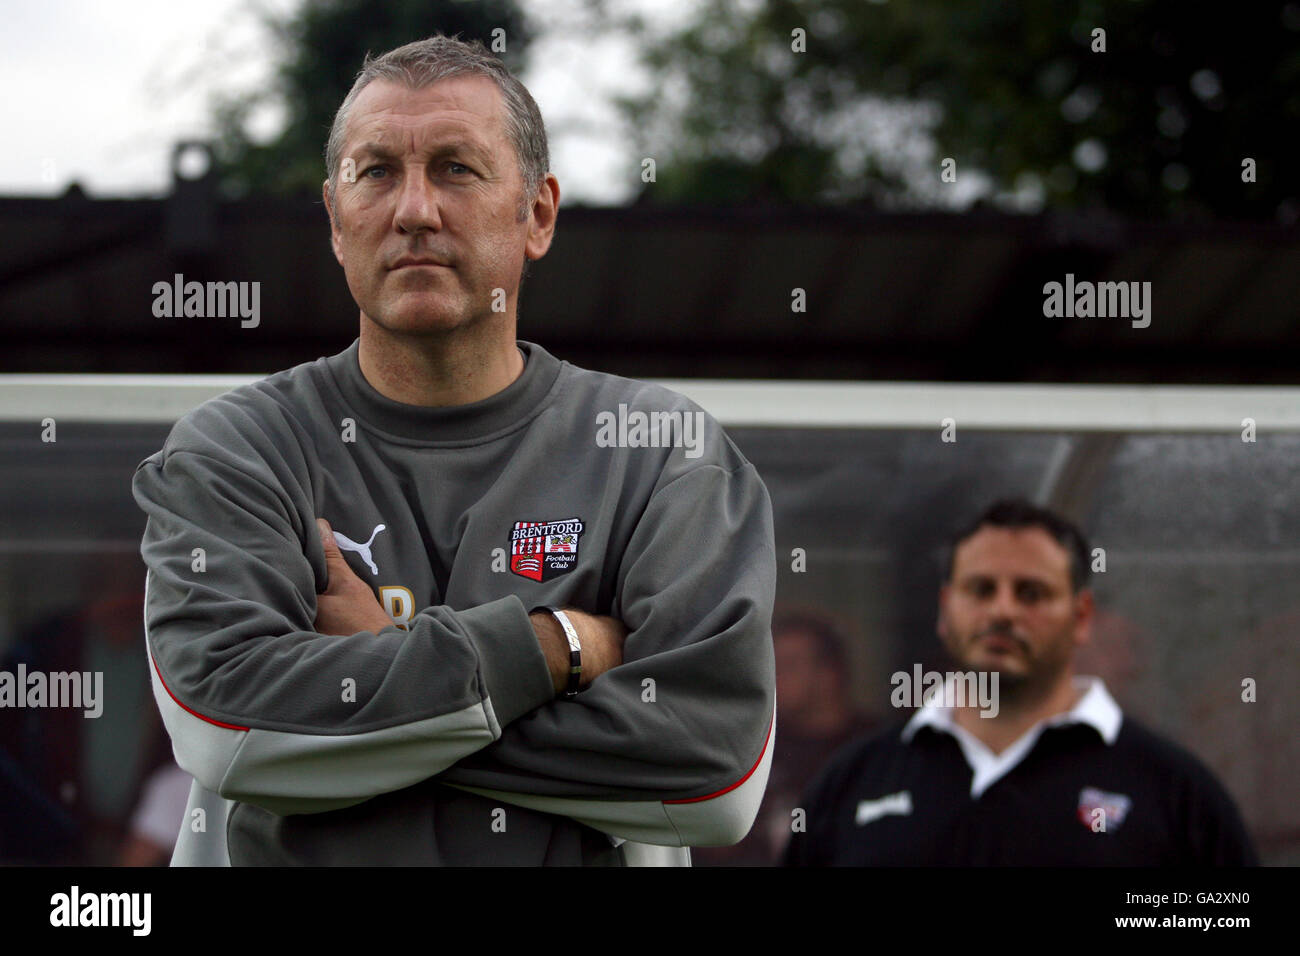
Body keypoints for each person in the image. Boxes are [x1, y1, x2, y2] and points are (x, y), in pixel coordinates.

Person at [132, 35, 776, 866]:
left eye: (456, 168)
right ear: (335, 218)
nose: (414, 211)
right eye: (376, 173)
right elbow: (230, 732)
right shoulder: (235, 452)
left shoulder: (660, 455)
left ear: (537, 214)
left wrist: (375, 686)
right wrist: (557, 650)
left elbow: (712, 775)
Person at [785, 498, 1256, 866]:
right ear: (946, 609)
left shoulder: (1175, 793)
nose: (1003, 610)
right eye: (981, 589)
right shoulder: (853, 782)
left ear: (1082, 615)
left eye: (1031, 592)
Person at [694, 612, 873, 865]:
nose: (774, 677)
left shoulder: (876, 749)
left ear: (829, 673)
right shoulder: (759, 749)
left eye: (788, 664)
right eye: (770, 665)